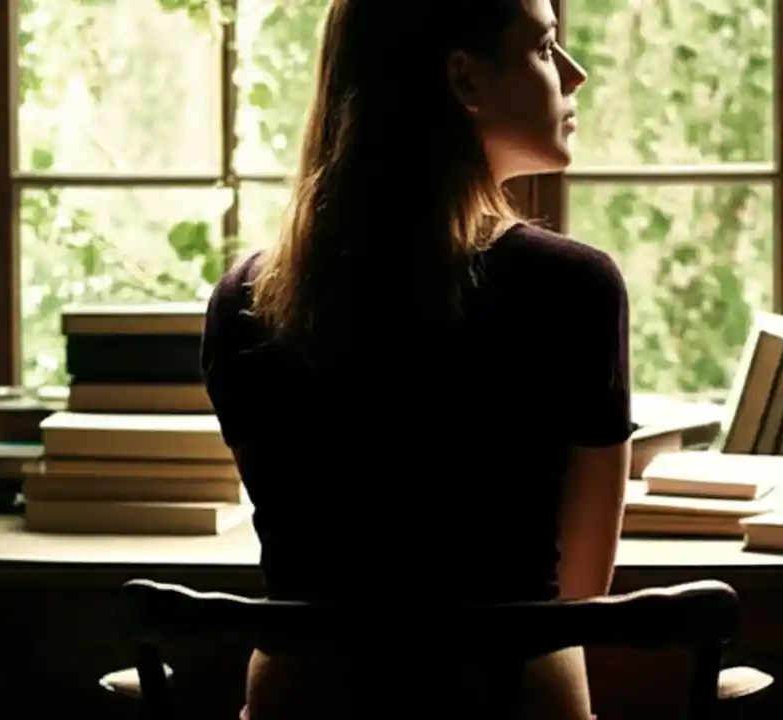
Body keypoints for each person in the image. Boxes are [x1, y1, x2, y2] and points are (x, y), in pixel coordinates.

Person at [200, 0, 631, 717]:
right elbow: (579, 597)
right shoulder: (573, 289)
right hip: (508, 703)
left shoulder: (246, 300)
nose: (575, 74)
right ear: (465, 79)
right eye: (546, 46)